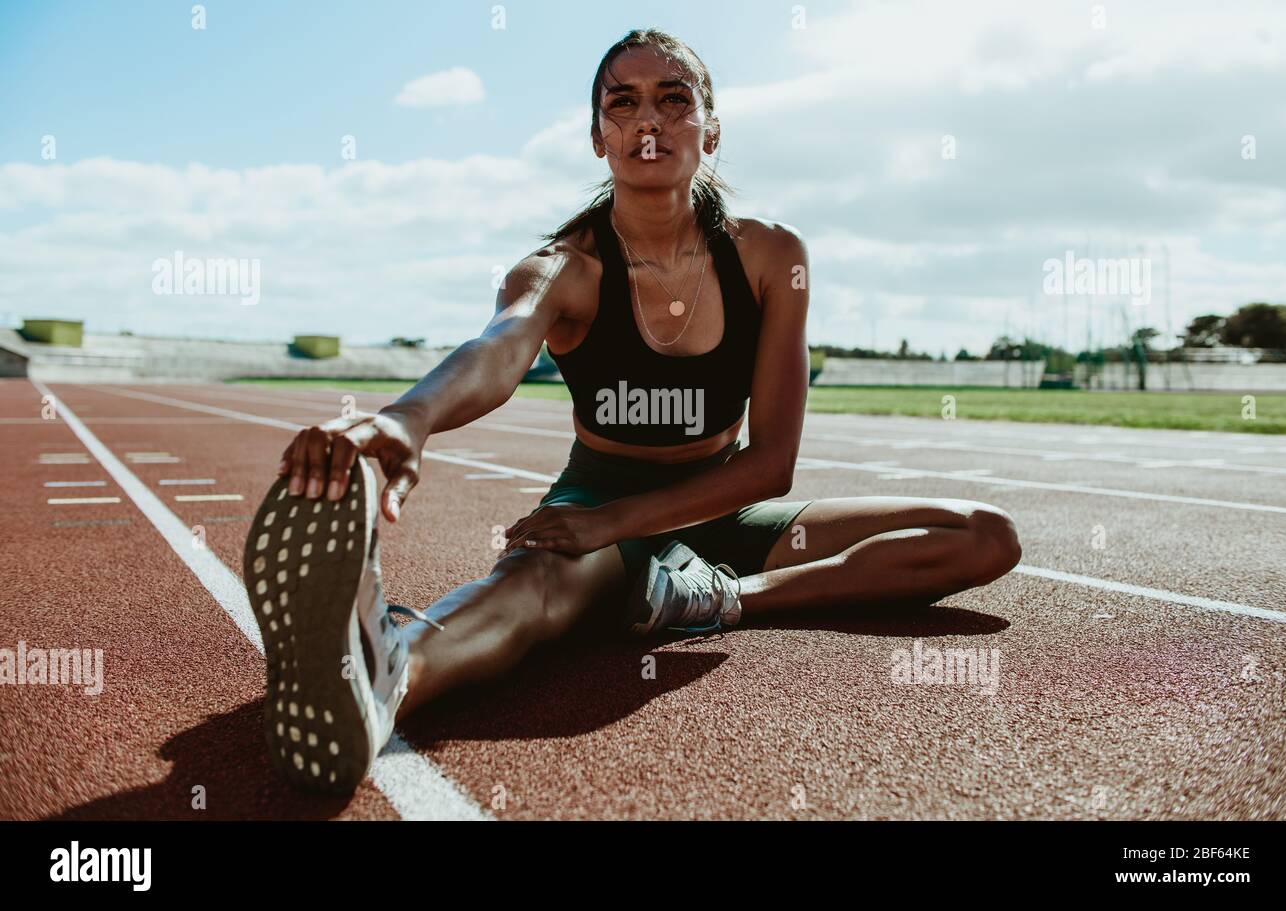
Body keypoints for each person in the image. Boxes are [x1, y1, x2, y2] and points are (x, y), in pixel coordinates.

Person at [242, 28, 1022, 794]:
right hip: (595, 507)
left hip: (722, 514)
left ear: (710, 128)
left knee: (983, 535)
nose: (648, 120)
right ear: (597, 137)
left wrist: (673, 557)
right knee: (533, 590)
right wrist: (410, 417)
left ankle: (719, 598)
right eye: (623, 102)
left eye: (672, 99)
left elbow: (771, 462)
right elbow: (500, 347)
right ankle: (389, 669)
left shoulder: (771, 257)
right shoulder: (564, 268)